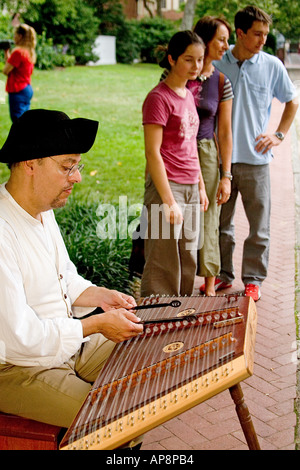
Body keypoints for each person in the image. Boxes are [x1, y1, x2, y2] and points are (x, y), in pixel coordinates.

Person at [0, 109, 143, 433]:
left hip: (64, 344)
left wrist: (100, 295)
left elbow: (64, 275)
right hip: (16, 367)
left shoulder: (40, 208)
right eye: (68, 166)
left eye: (77, 166)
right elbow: (20, 339)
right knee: (118, 418)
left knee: (143, 356)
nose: (77, 177)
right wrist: (93, 324)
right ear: (29, 164)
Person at [214, 6, 299, 301]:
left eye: (266, 33)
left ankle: (253, 279)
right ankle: (222, 275)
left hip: (256, 161)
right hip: (219, 162)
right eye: (257, 34)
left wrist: (278, 135)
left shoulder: (272, 65)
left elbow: (292, 101)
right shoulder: (216, 64)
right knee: (220, 224)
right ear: (240, 33)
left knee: (259, 226)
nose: (264, 39)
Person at [140, 30, 208, 298]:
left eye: (200, 60)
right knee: (162, 260)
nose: (195, 66)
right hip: (167, 186)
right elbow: (152, 153)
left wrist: (201, 186)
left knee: (188, 256)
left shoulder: (189, 95)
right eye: (188, 60)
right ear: (171, 59)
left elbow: (191, 145)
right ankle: (155, 319)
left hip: (191, 184)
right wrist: (169, 201)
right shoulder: (158, 98)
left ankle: (179, 313)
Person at [189, 16, 233, 296]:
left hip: (206, 152)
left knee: (208, 217)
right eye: (221, 39)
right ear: (205, 40)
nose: (226, 46)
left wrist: (226, 175)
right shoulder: (179, 73)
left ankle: (208, 286)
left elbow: (225, 131)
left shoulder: (221, 81)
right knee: (176, 214)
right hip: (176, 151)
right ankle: (178, 279)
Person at [2, 24, 36, 122]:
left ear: (20, 36)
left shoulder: (18, 52)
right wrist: (6, 53)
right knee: (26, 121)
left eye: (15, 34)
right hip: (26, 89)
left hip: (18, 90)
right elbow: (14, 66)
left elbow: (6, 70)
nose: (14, 37)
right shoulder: (28, 51)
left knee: (18, 124)